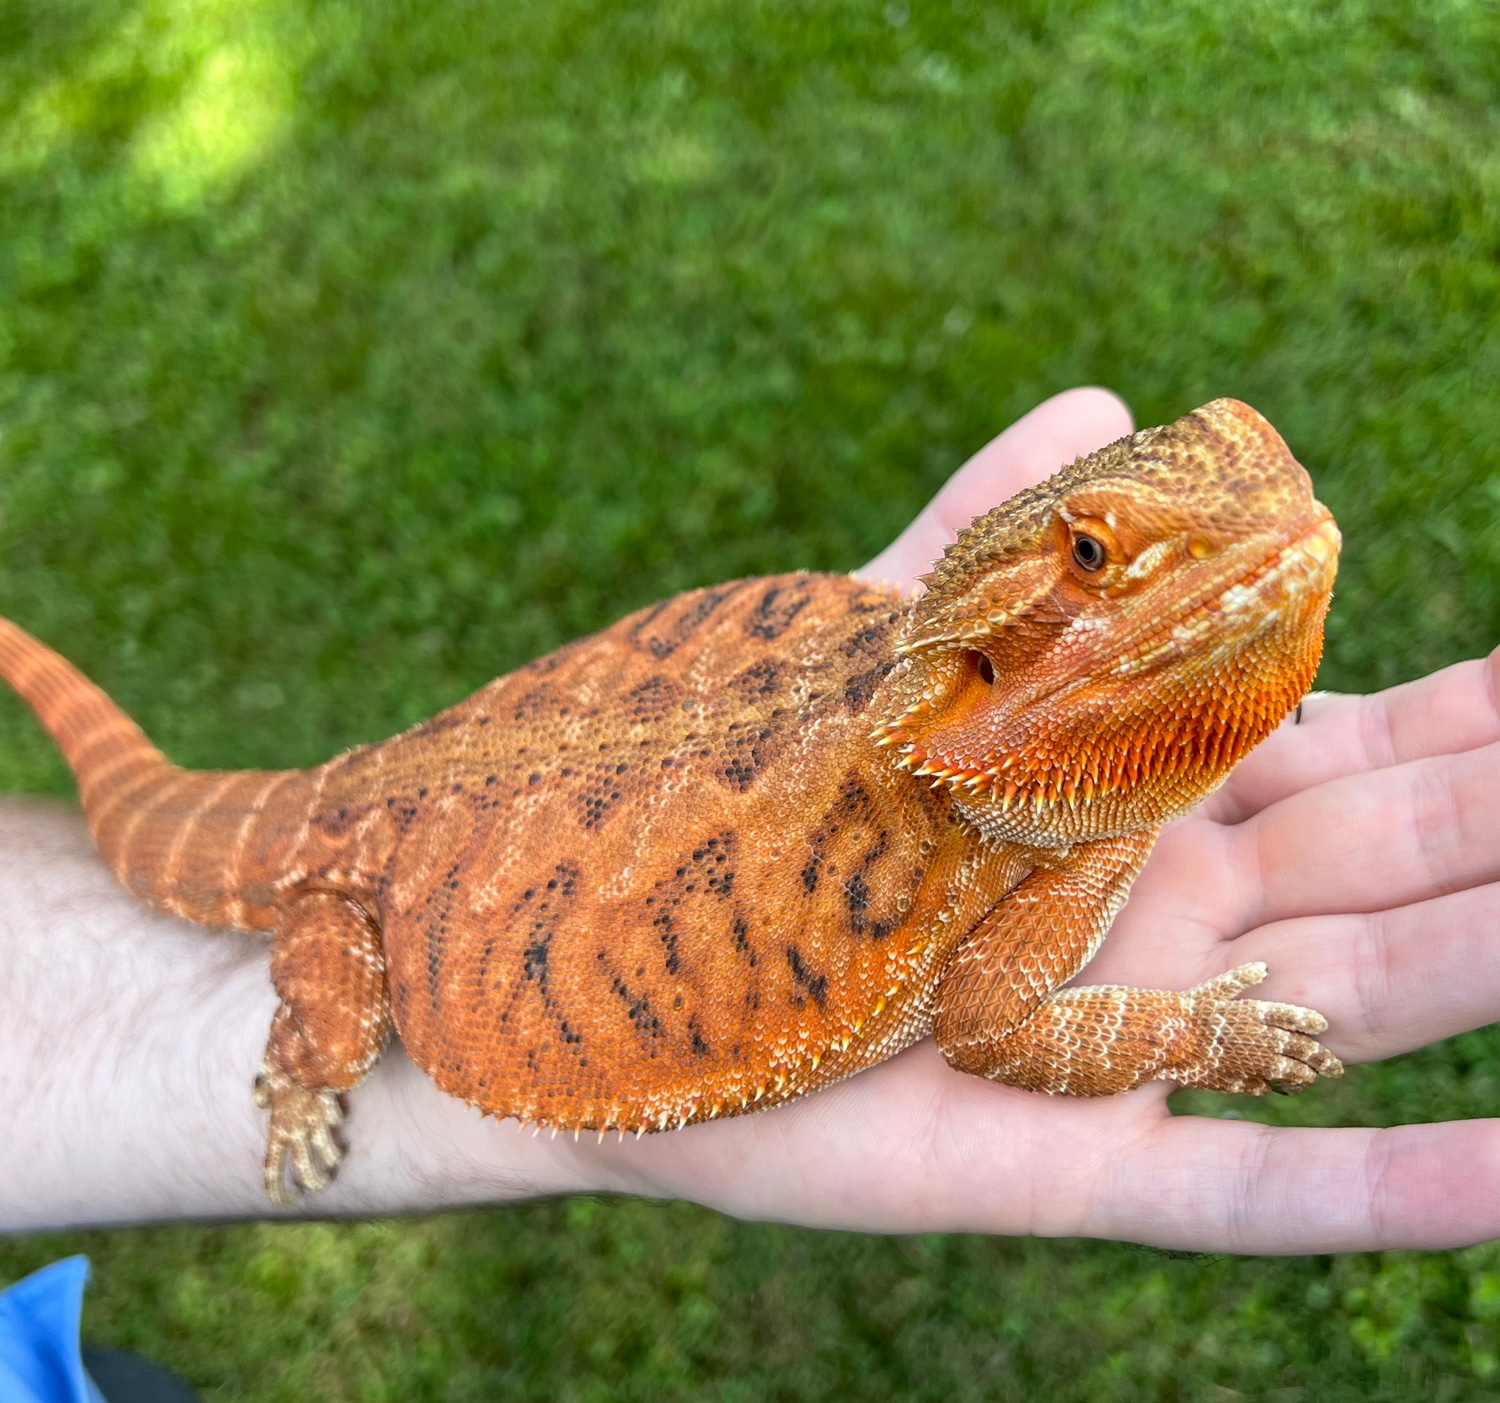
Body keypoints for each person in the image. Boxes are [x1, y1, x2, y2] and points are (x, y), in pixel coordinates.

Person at [3, 387, 1498, 1254]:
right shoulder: (983, 825)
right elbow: (996, 1027)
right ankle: (294, 1070)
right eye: (1104, 557)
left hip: (493, 779)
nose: (1287, 525)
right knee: (331, 1023)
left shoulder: (1036, 771)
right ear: (995, 648)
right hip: (389, 864)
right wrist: (1194, 1033)